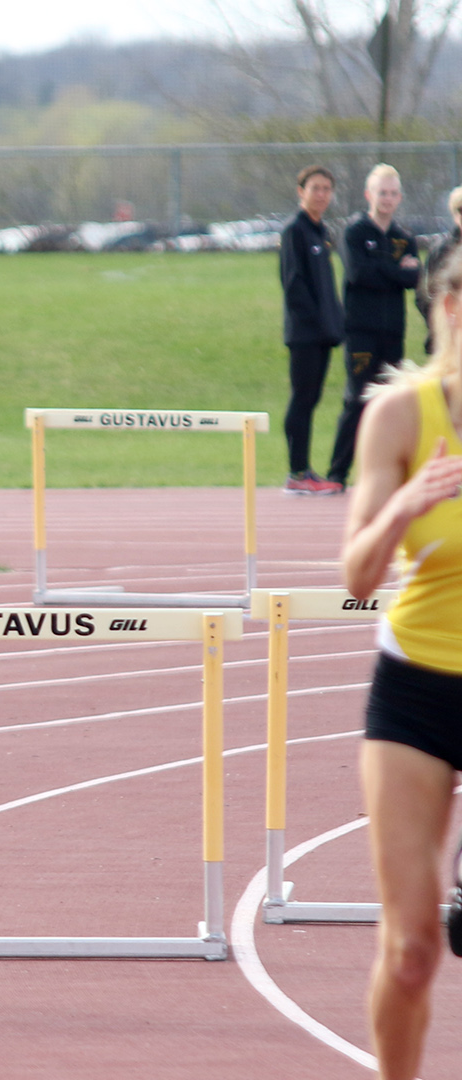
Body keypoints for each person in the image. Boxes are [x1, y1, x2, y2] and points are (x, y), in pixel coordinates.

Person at [341, 245, 462, 1080]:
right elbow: (356, 575)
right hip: (416, 690)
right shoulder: (401, 415)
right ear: (448, 308)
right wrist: (407, 507)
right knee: (414, 944)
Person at [328, 164, 421, 492]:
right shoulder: (354, 232)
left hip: (393, 332)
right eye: (382, 192)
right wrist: (396, 270)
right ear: (369, 195)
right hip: (360, 331)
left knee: (391, 404)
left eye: (394, 193)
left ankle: (387, 475)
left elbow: (414, 278)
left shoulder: (403, 237)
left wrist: (390, 270)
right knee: (357, 400)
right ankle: (337, 474)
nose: (388, 199)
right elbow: (358, 274)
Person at [280, 164, 346, 495]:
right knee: (302, 397)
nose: (321, 194)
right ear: (301, 191)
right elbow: (294, 285)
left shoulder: (322, 231)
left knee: (313, 397)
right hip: (305, 333)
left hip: (323, 333)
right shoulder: (295, 230)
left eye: (326, 189)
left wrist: (334, 322)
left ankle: (304, 470)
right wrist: (315, 322)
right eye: (315, 188)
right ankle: (296, 472)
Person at [415, 185, 462, 355]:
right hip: (445, 341)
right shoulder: (441, 250)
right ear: (454, 214)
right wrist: (442, 326)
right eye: (460, 210)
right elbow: (423, 296)